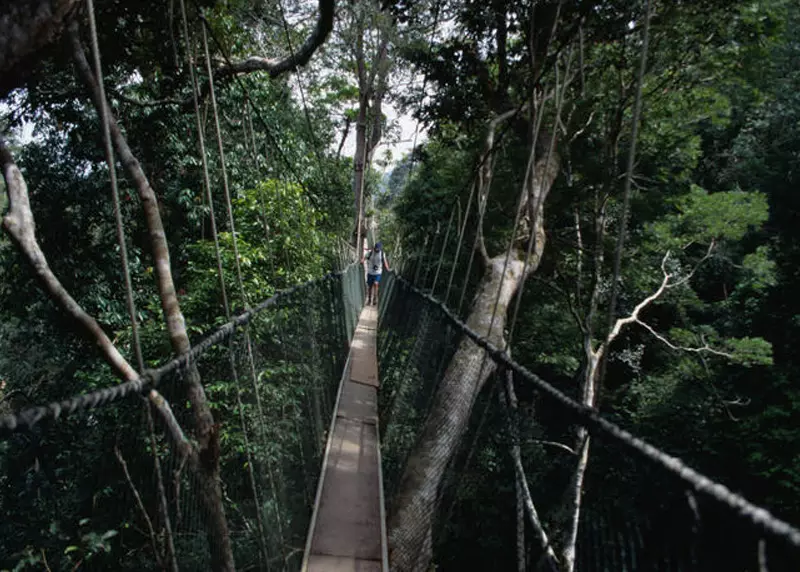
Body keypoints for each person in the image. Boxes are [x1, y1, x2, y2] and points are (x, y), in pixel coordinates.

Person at [361, 241, 390, 306]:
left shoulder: (382, 254)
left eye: (378, 249)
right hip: (370, 272)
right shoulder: (370, 253)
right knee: (370, 287)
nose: (377, 250)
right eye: (376, 249)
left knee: (376, 283)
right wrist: (362, 260)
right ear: (374, 248)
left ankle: (375, 299)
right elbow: (364, 258)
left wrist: (388, 268)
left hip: (378, 272)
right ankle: (369, 300)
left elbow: (385, 262)